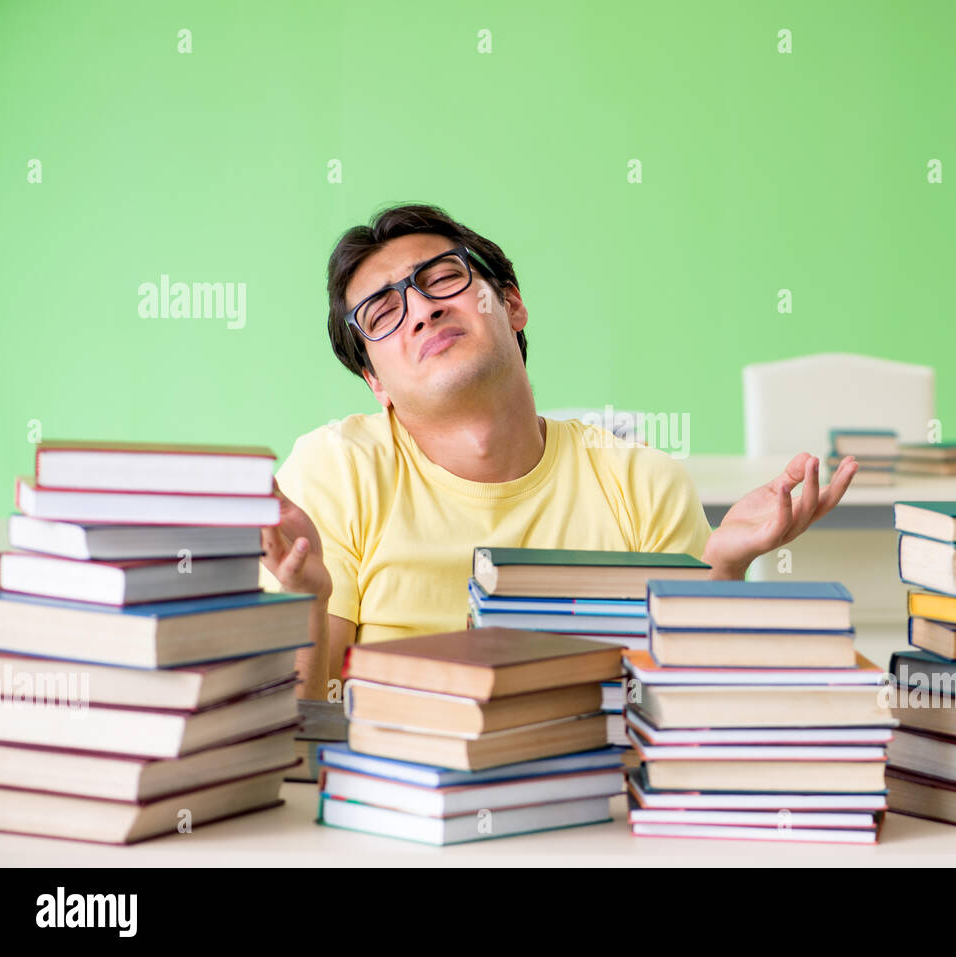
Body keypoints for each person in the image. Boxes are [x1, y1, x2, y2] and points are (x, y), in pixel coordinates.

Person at [258, 204, 858, 698]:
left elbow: (691, 714)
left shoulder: (642, 483)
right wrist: (307, 602)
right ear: (377, 384)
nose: (421, 309)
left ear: (512, 305)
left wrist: (724, 568)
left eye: (442, 278)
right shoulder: (336, 470)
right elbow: (296, 729)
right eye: (383, 312)